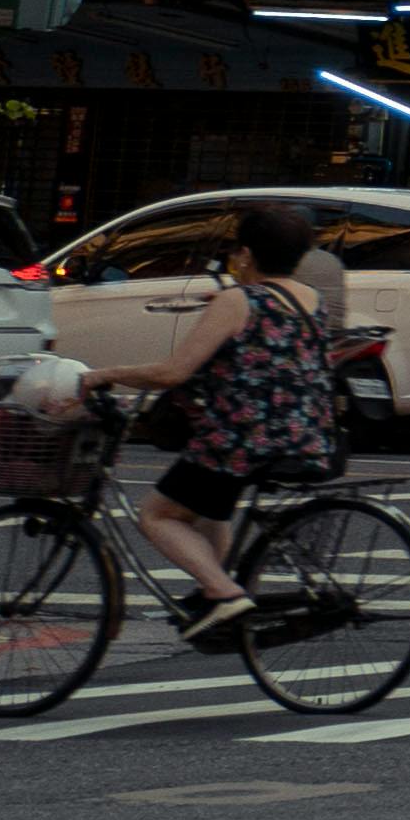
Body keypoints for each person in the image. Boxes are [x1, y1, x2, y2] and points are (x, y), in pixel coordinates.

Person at [64, 193, 355, 644]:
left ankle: (223, 593)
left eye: (237, 251)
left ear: (245, 254)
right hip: (305, 435)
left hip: (243, 439)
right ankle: (217, 591)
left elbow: (173, 373)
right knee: (208, 508)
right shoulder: (309, 298)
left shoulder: (238, 301)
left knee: (157, 514)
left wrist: (105, 374)